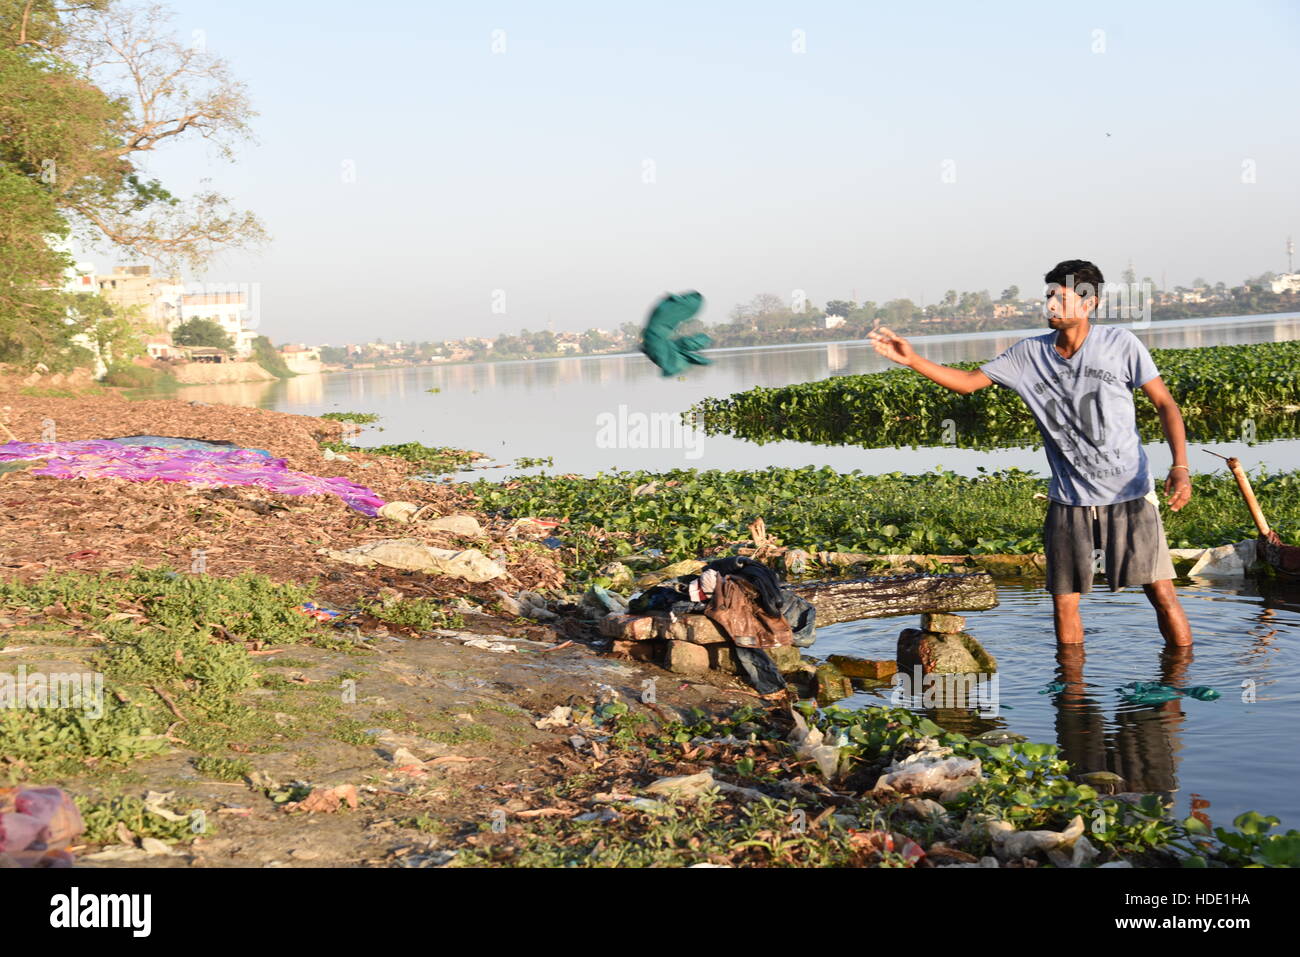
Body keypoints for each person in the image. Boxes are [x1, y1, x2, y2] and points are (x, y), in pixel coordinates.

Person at [867, 259, 1193, 647]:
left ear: (1089, 304)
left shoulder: (1120, 345)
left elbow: (1165, 404)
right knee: (1064, 604)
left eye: (1062, 297)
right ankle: (1073, 695)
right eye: (1049, 297)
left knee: (1161, 595)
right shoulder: (1027, 356)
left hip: (1130, 494)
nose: (1051, 306)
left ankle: (1179, 680)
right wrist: (914, 360)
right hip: (1069, 500)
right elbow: (969, 383)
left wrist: (1181, 466)